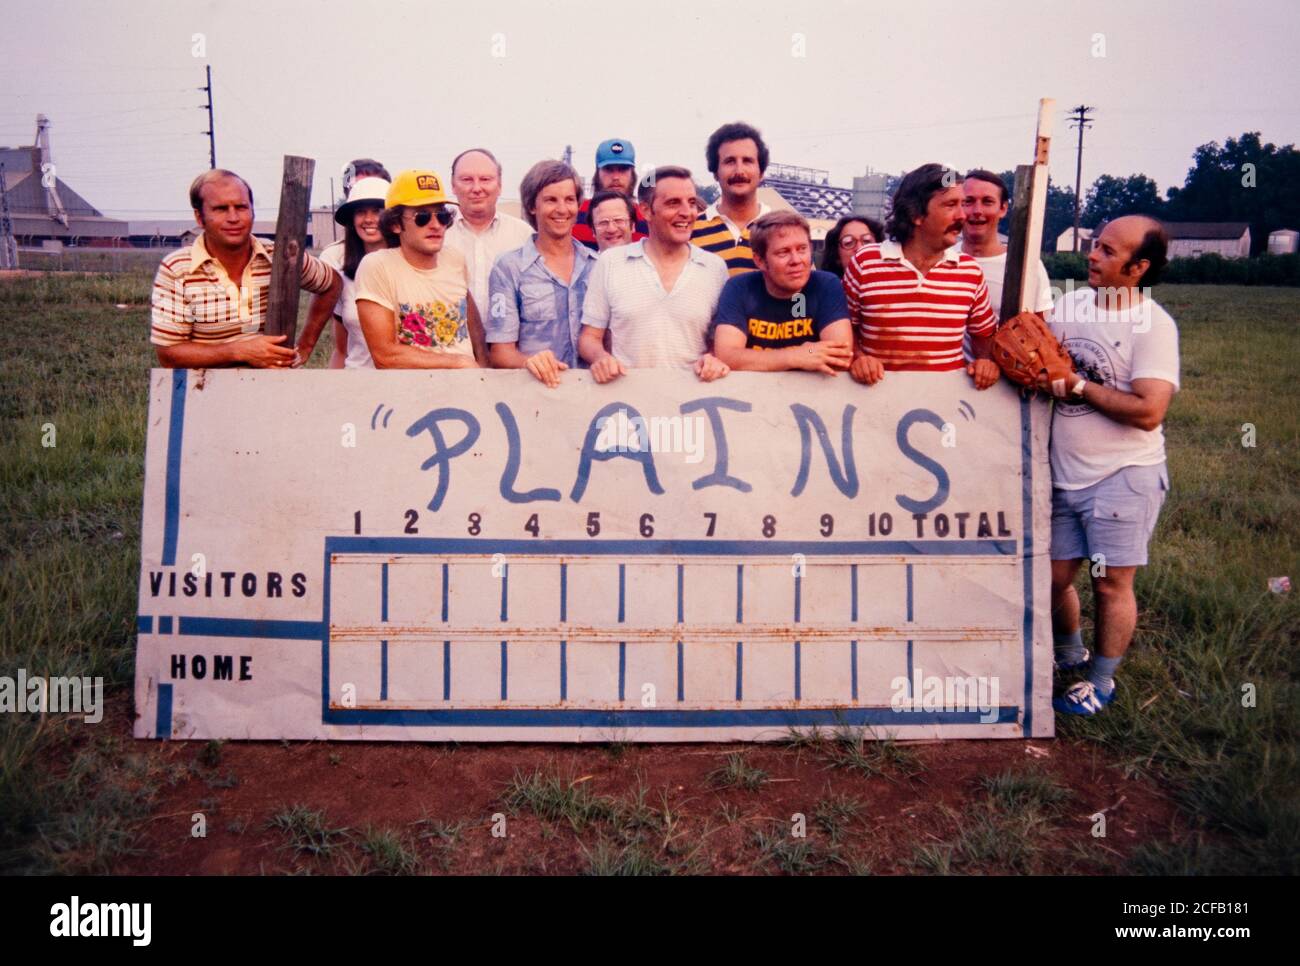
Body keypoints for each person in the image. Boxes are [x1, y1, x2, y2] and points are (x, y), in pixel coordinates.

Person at [1043, 216, 1179, 717]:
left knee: (1109, 583)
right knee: (1051, 578)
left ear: (1139, 267)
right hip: (1063, 473)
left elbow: (1149, 411)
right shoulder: (1072, 303)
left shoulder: (1154, 325)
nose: (1092, 256)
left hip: (1123, 475)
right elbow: (1041, 363)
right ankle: (1069, 652)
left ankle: (1101, 682)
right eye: (1095, 245)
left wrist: (1078, 385)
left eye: (1107, 251)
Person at [150, 169, 340, 368]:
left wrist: (306, 346)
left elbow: (332, 283)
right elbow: (168, 354)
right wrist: (240, 351)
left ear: (252, 211)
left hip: (277, 386)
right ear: (199, 217)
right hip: (207, 390)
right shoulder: (177, 269)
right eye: (221, 209)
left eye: (241, 207)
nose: (233, 218)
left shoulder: (279, 256)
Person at [841, 163, 999, 390]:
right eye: (951, 205)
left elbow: (984, 337)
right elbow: (846, 328)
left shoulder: (969, 271)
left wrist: (986, 362)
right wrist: (858, 357)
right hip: (877, 405)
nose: (963, 215)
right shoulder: (865, 263)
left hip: (944, 404)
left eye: (962, 204)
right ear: (916, 214)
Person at [579, 165, 730, 383]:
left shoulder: (714, 267)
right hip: (629, 402)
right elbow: (589, 338)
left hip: (693, 405)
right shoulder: (611, 263)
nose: (687, 212)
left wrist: (714, 359)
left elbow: (719, 342)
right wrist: (600, 358)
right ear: (646, 211)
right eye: (673, 203)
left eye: (692, 203)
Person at [354, 170, 486, 368]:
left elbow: (467, 310)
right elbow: (385, 355)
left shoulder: (454, 259)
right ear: (395, 224)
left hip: (465, 388)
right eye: (422, 216)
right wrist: (457, 362)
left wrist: (484, 364)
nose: (435, 225)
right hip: (412, 393)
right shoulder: (377, 267)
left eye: (442, 216)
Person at [486, 160, 597, 387]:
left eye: (569, 200)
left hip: (592, 397)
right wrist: (529, 361)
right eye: (551, 200)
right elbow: (500, 352)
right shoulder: (508, 267)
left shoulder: (597, 266)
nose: (562, 209)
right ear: (532, 206)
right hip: (536, 397)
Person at [712, 211, 853, 374]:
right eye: (783, 252)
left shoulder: (825, 284)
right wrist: (795, 356)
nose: (796, 260)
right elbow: (727, 356)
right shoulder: (739, 288)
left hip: (812, 394)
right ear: (760, 261)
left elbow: (841, 356)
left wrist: (799, 355)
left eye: (802, 249)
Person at [303, 176, 393, 369]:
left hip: (406, 383)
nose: (369, 219)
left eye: (377, 211)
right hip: (359, 383)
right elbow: (342, 350)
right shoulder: (342, 271)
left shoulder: (409, 265)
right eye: (361, 212)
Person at [443, 148, 533, 322]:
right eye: (467, 179)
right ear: (453, 185)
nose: (477, 188)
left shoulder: (524, 236)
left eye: (485, 179)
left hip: (510, 345)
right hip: (452, 345)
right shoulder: (439, 235)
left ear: (499, 186)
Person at [958, 168, 1053, 323]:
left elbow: (1041, 329)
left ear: (1003, 209)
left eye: (987, 202)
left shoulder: (1027, 267)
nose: (977, 210)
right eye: (968, 201)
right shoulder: (941, 259)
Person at [691, 121, 771, 276]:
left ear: (761, 172)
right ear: (715, 172)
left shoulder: (784, 229)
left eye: (747, 161)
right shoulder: (691, 231)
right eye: (730, 161)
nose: (739, 170)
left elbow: (805, 292)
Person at [572, 138, 648, 250]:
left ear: (633, 174)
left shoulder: (647, 218)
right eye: (608, 169)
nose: (616, 177)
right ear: (597, 173)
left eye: (623, 169)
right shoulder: (575, 215)